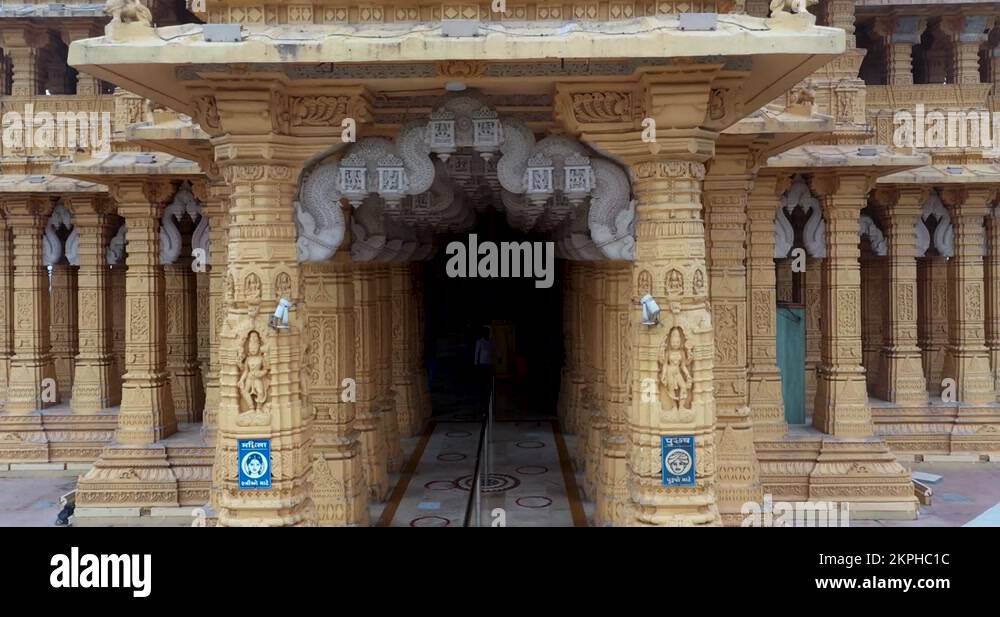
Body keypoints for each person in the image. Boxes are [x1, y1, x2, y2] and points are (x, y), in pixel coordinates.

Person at [473, 326, 495, 407]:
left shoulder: (491, 342)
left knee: (488, 380)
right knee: (483, 380)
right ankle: (482, 394)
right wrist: (476, 363)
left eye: (488, 332)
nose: (487, 334)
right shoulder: (480, 342)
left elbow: (495, 349)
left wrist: (499, 357)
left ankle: (488, 392)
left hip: (489, 364)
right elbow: (477, 353)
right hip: (482, 364)